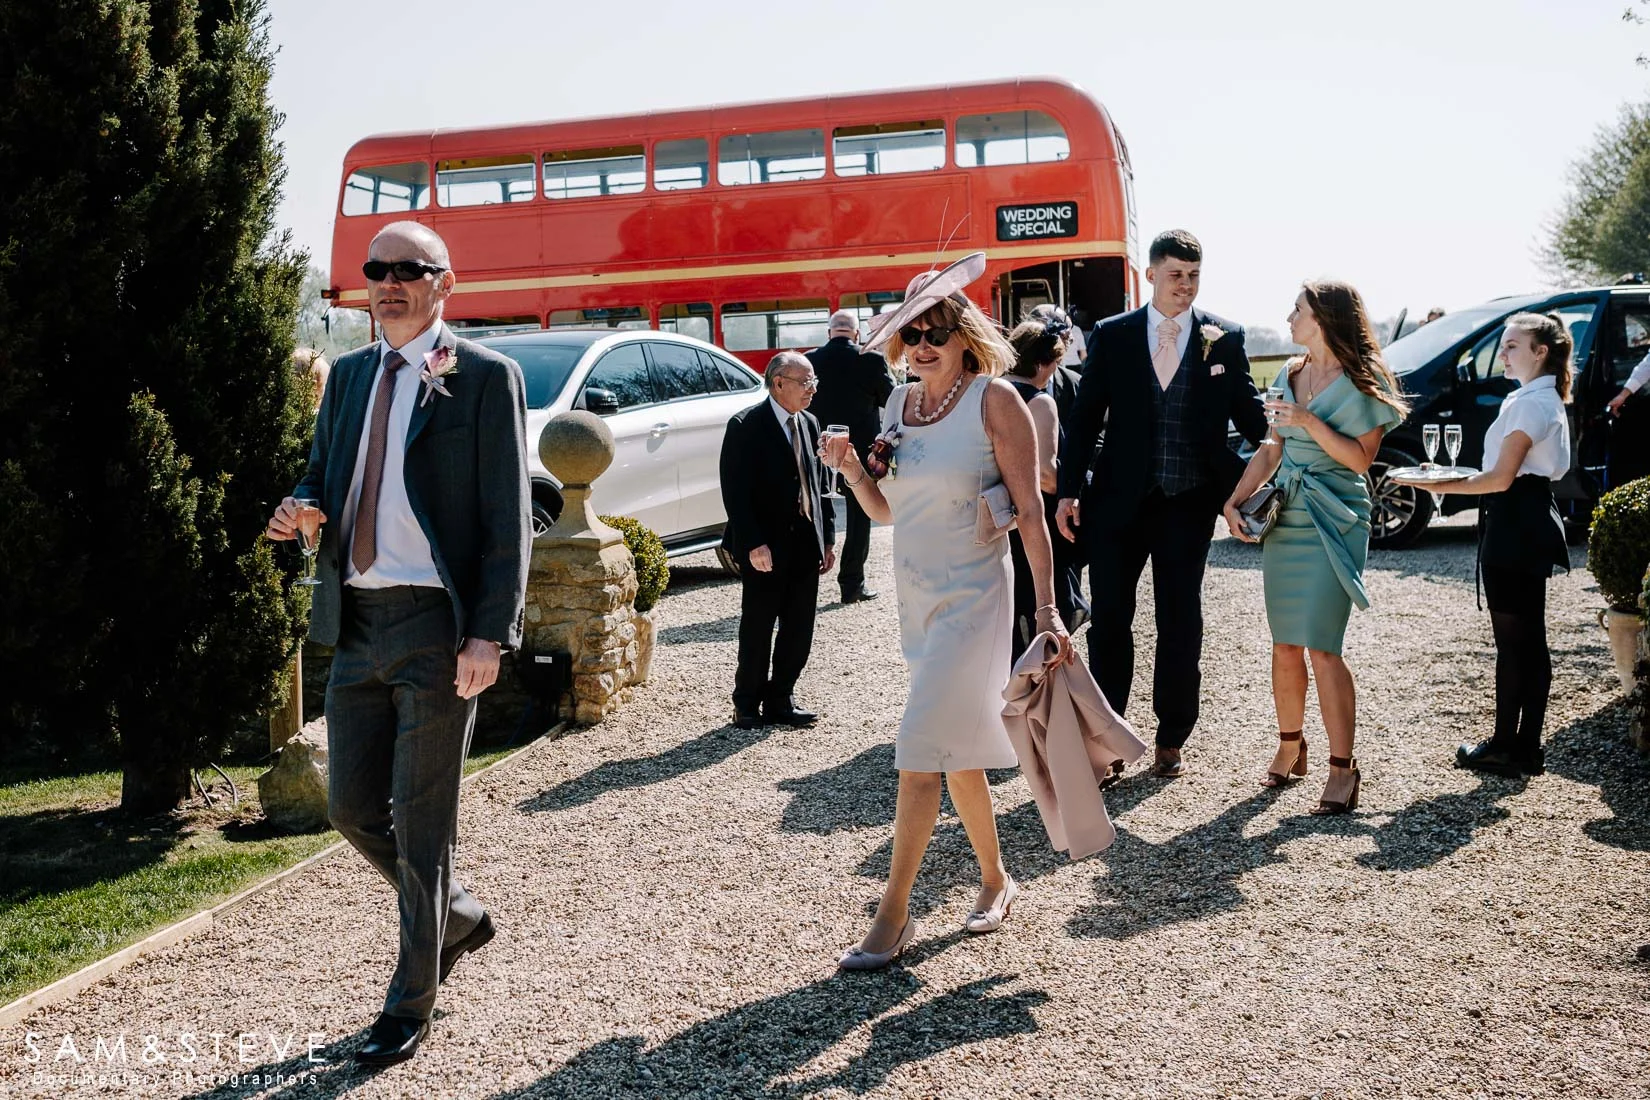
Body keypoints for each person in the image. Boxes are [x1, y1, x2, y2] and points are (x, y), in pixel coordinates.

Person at [265, 222, 530, 1066]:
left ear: (443, 284)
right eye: (376, 270)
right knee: (348, 807)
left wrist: (489, 632)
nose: (387, 282)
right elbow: (324, 475)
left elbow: (505, 521)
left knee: (423, 829)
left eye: (406, 270)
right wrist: (300, 507)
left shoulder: (487, 378)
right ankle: (454, 917)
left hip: (436, 627)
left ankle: (409, 1002)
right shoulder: (345, 377)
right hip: (354, 624)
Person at [821, 253, 1074, 970]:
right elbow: (887, 511)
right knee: (955, 753)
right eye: (914, 334)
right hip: (918, 597)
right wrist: (846, 468)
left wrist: (1049, 609)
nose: (925, 344)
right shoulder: (899, 407)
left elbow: (1030, 512)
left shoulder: (997, 400)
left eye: (937, 330)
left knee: (918, 751)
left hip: (977, 599)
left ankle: (893, 917)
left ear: (964, 334)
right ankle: (997, 880)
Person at [1056, 229, 1268, 778]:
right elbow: (1084, 420)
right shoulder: (1113, 334)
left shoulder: (1224, 338)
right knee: (1110, 624)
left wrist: (1291, 448)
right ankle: (1108, 740)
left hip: (1188, 502)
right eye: (1176, 274)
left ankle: (1172, 735)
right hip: (1117, 503)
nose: (1187, 286)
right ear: (1150, 274)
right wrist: (1069, 491)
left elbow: (1250, 417)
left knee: (1181, 621)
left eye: (1195, 275)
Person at [1223, 281, 1407, 814]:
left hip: (1337, 515)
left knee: (1324, 646)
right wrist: (1235, 501)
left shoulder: (1365, 381)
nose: (1288, 318)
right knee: (1284, 643)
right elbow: (1271, 447)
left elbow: (1358, 461)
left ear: (1323, 318)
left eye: (1297, 310)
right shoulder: (1288, 373)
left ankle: (1342, 768)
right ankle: (1289, 744)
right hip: (1288, 514)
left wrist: (1307, 420)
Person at [1392, 313, 1572, 776]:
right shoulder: (1536, 398)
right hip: (1526, 518)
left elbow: (1499, 478)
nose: (1503, 354)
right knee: (1529, 642)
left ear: (1540, 352)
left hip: (1515, 521)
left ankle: (1506, 747)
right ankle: (1525, 746)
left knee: (1516, 644)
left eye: (1513, 346)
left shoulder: (1533, 404)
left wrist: (1440, 486)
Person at [719, 351, 836, 730]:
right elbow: (735, 492)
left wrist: (828, 538)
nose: (812, 389)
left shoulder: (811, 423)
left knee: (799, 626)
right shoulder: (745, 425)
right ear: (779, 383)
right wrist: (753, 543)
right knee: (758, 624)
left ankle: (781, 698)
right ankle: (747, 702)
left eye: (813, 381)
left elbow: (819, 487)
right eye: (805, 382)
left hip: (805, 540)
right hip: (765, 544)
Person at [1004, 317, 1088, 658]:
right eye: (1054, 364)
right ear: (1040, 363)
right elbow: (1045, 474)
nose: (1054, 372)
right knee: (1041, 615)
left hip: (997, 519)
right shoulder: (1039, 402)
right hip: (1030, 519)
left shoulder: (989, 395)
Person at [806, 310, 896, 604]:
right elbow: (890, 399)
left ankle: (808, 578)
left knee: (817, 511)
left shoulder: (811, 360)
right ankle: (852, 584)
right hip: (859, 454)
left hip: (818, 451)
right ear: (856, 334)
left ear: (829, 332)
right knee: (860, 518)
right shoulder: (870, 359)